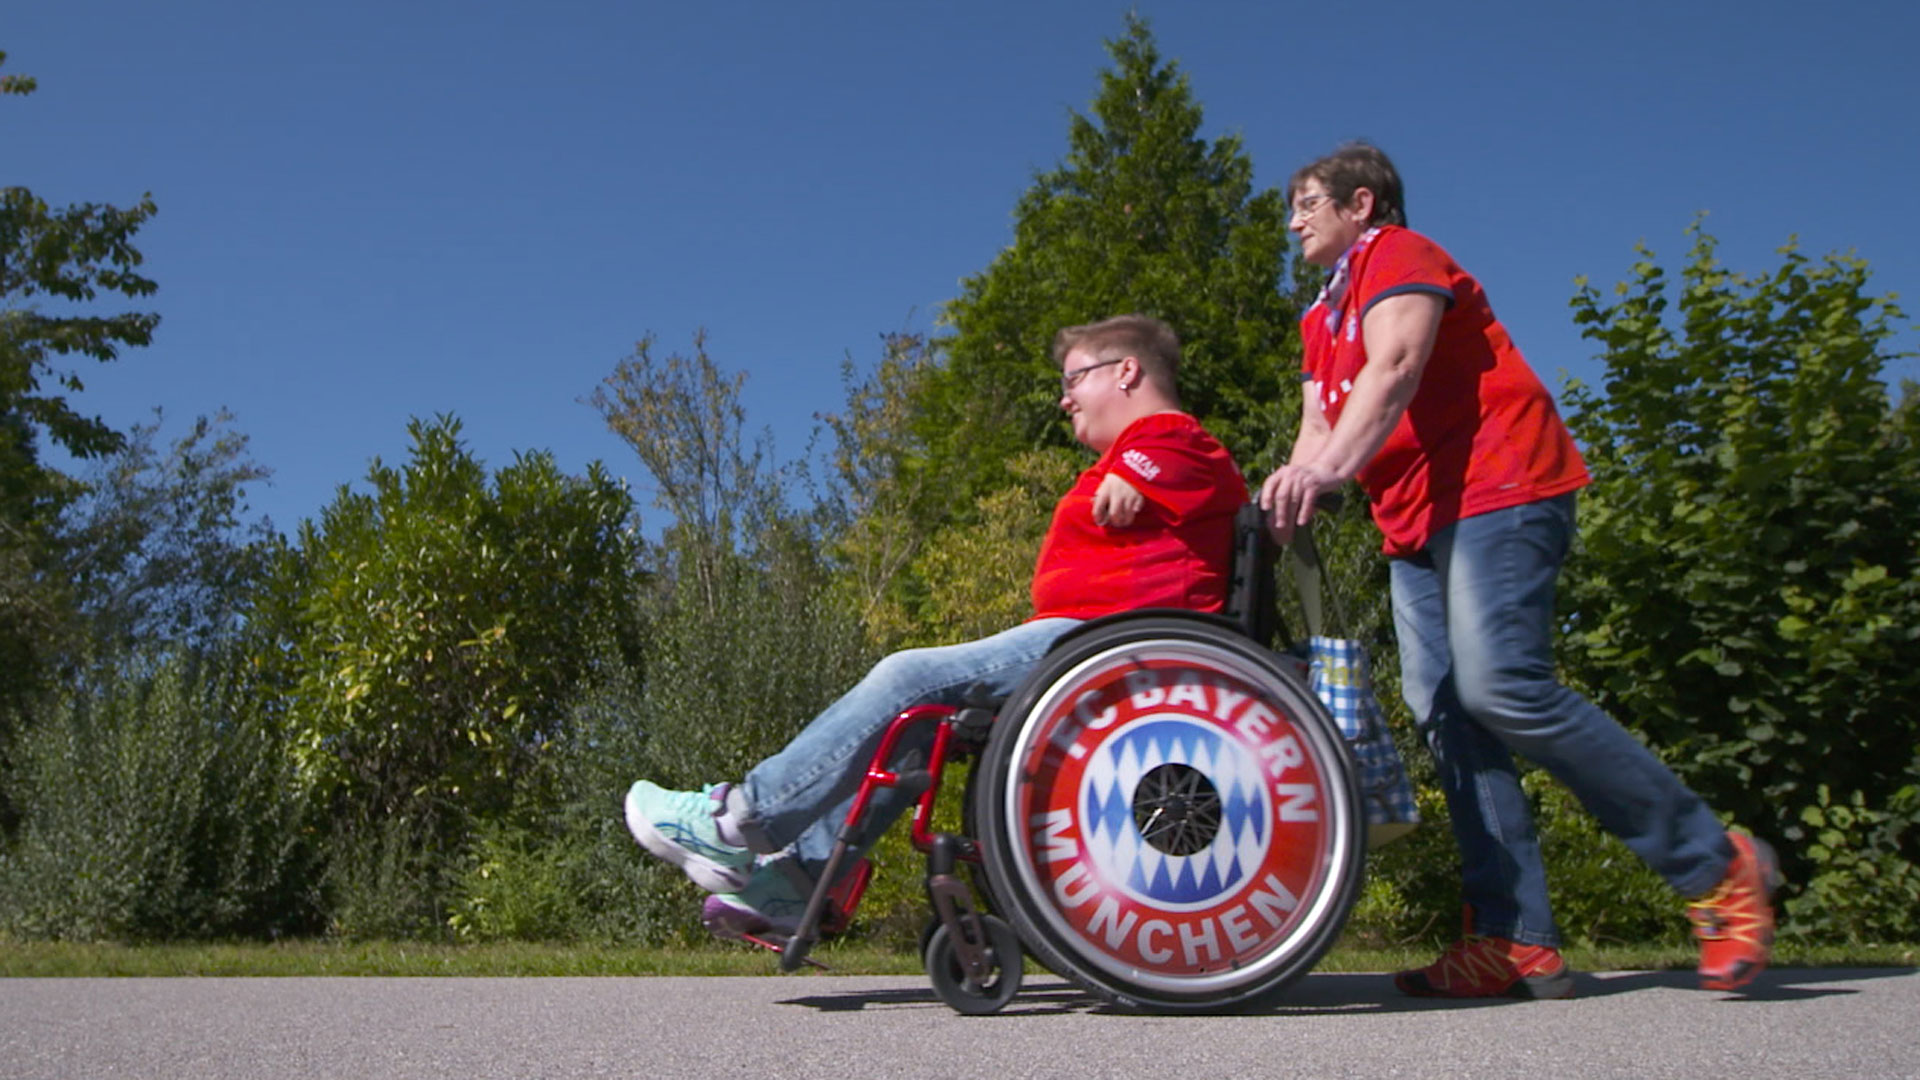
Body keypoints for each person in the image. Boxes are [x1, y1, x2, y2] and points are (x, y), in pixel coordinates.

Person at [1259, 142, 1780, 998]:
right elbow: (1319, 425)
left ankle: (1717, 865)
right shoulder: (1322, 313)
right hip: (1415, 521)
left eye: (1308, 203)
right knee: (1447, 718)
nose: (1294, 221)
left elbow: (1396, 367)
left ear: (1361, 202)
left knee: (1502, 687)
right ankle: (1513, 940)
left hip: (1497, 487)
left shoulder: (1400, 254)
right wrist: (1286, 501)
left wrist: (1328, 473)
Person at [625, 314, 1248, 937]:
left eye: (1075, 378)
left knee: (909, 675)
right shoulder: (1149, 449)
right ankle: (803, 877)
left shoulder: (1170, 437)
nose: (1065, 398)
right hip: (1093, 641)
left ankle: (738, 821)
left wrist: (1129, 475)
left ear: (1128, 371)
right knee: (914, 734)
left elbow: (1170, 463)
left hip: (1109, 642)